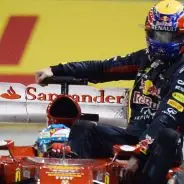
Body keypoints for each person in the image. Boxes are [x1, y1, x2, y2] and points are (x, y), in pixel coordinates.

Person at [35, 0, 184, 183]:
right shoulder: (145, 59)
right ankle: (73, 179)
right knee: (83, 128)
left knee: (168, 136)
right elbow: (103, 67)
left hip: (167, 147)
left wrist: (139, 155)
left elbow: (167, 118)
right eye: (157, 34)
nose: (161, 41)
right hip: (134, 138)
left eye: (166, 36)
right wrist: (57, 70)